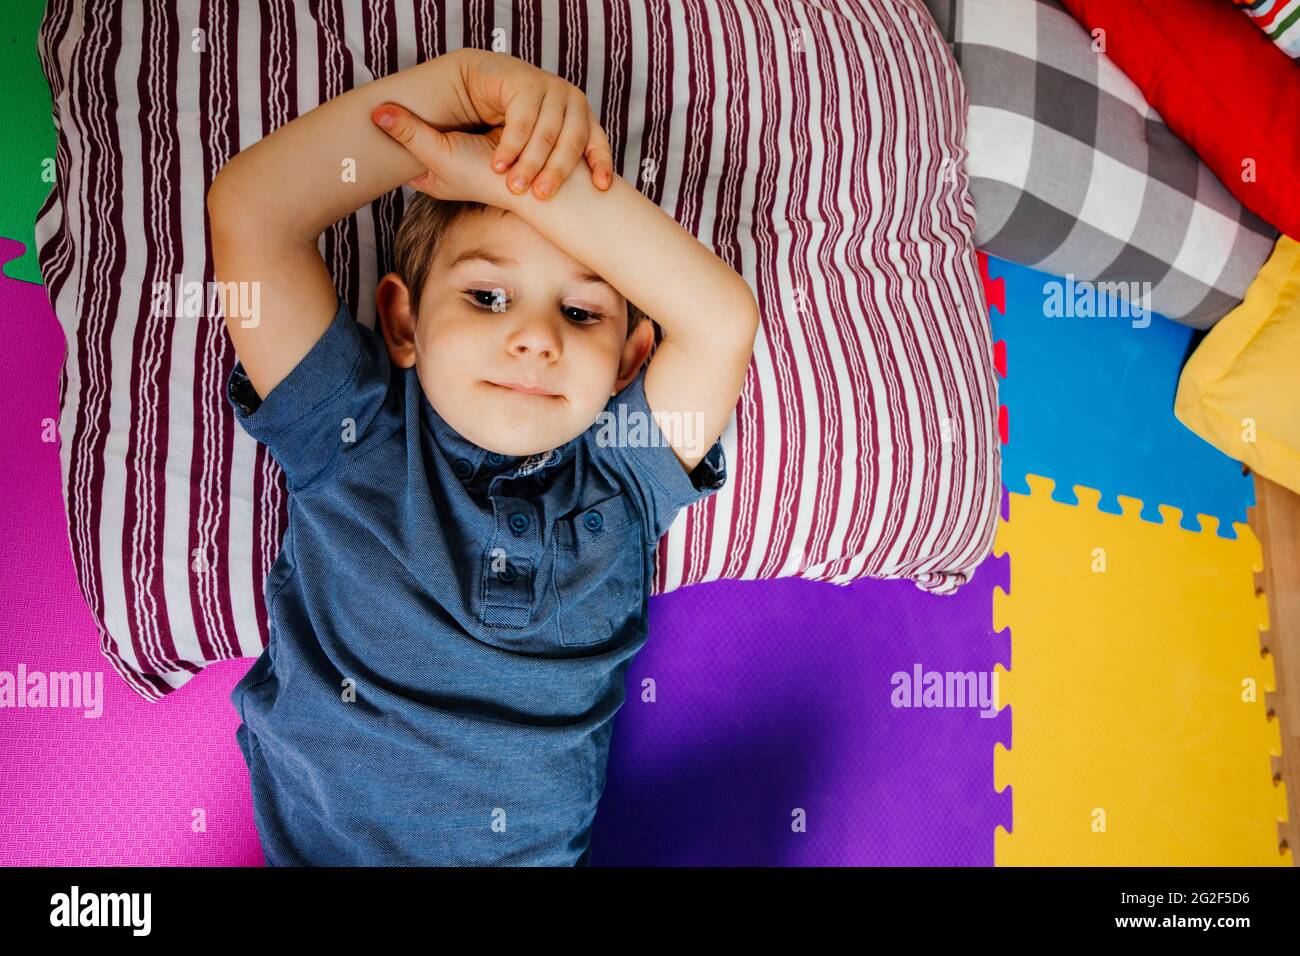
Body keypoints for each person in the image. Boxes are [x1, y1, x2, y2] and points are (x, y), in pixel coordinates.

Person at [207, 47, 758, 866]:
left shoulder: (626, 476)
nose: (534, 337)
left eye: (580, 312)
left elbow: (720, 322)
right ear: (401, 323)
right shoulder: (349, 432)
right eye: (487, 296)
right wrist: (458, 88)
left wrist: (507, 180)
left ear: (630, 360)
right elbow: (250, 214)